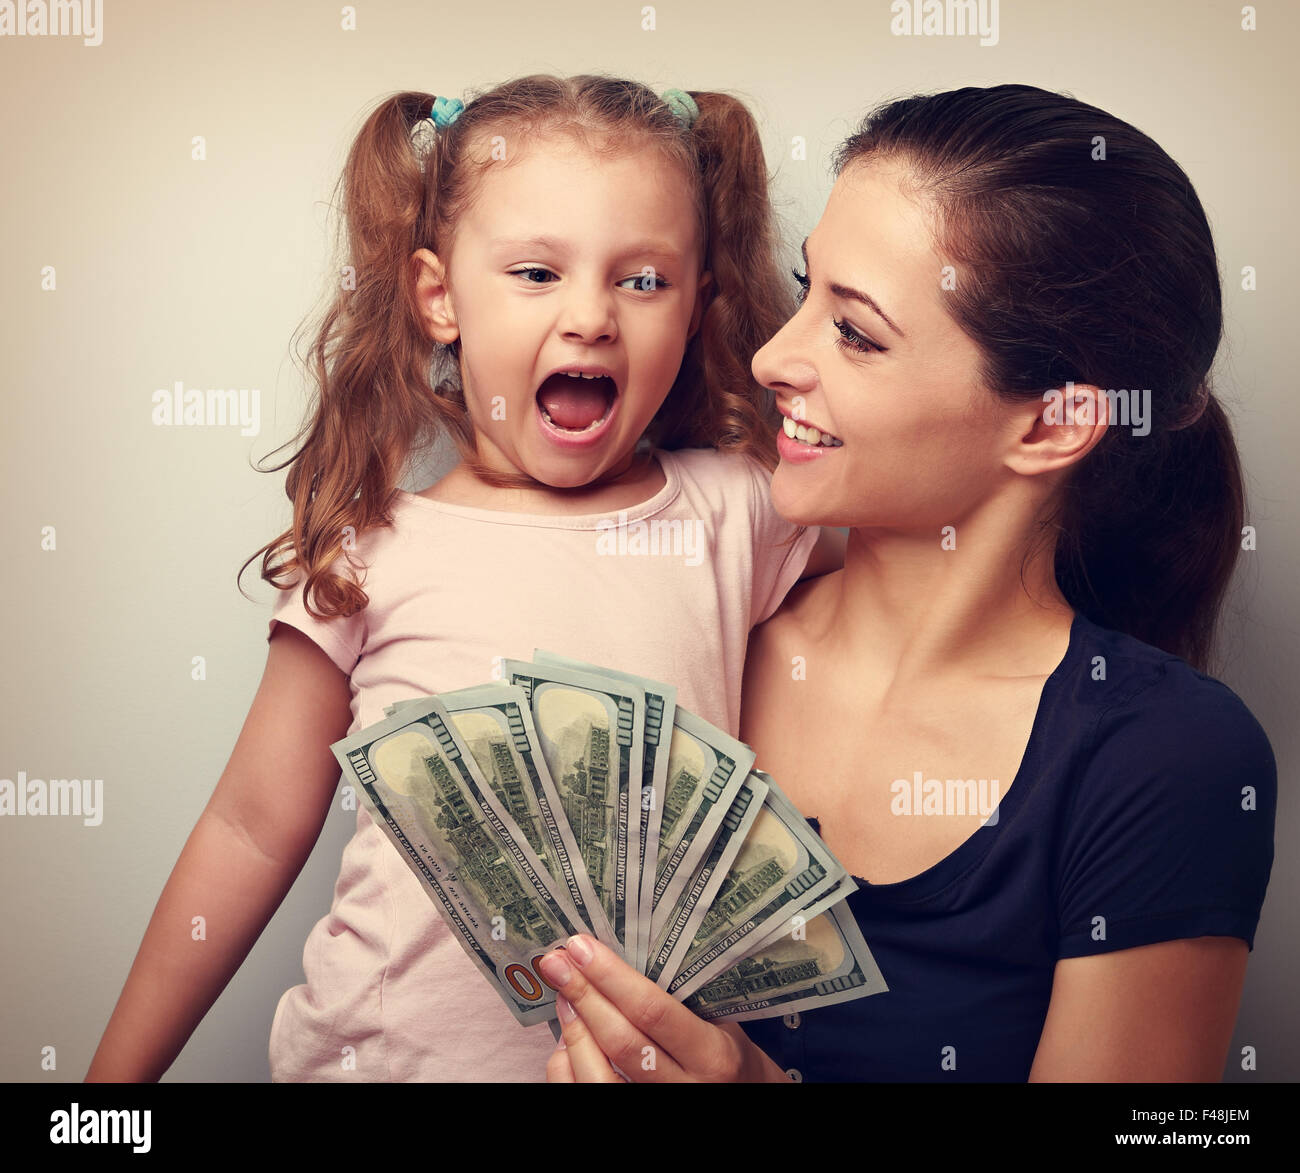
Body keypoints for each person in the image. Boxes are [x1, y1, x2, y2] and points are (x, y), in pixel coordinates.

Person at [85, 74, 845, 1083]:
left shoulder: (742, 511)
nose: (590, 317)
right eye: (535, 272)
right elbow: (248, 828)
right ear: (439, 297)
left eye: (642, 280)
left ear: (697, 308)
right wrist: (107, 1092)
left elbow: (912, 576)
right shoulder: (369, 557)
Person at [541, 84, 1277, 1083]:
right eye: (805, 290)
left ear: (1052, 423)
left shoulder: (1168, 758)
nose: (771, 357)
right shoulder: (695, 631)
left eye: (855, 333)